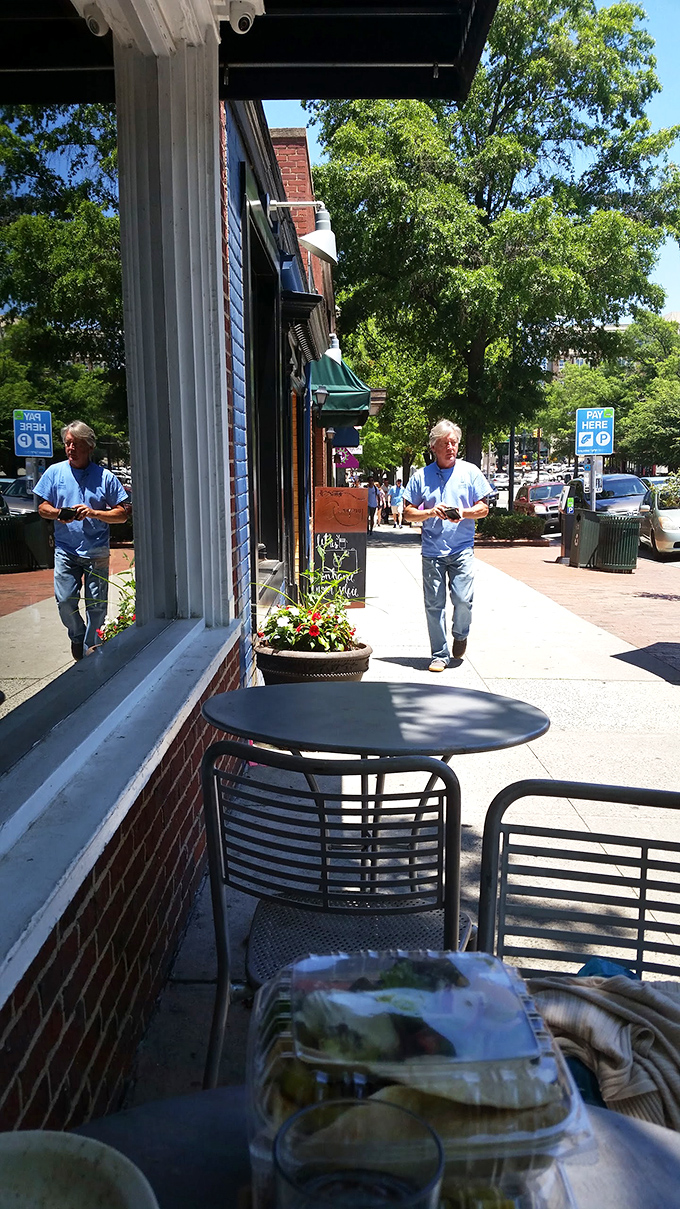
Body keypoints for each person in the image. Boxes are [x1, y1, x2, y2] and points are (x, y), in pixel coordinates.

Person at [34, 421, 130, 660]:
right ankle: (77, 636)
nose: (70, 448)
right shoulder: (55, 473)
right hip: (66, 550)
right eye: (67, 443)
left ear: (89, 446)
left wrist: (94, 512)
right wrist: (59, 514)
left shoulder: (105, 477)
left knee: (96, 606)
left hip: (96, 551)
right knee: (65, 601)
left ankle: (90, 649)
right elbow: (42, 508)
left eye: (76, 444)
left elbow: (122, 514)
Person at [403, 420, 491, 671]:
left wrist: (463, 512)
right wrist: (430, 512)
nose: (451, 447)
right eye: (445, 444)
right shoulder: (421, 476)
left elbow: (483, 508)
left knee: (463, 600)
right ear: (434, 447)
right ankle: (439, 654)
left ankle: (460, 634)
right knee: (434, 604)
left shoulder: (471, 472)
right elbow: (407, 512)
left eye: (454, 443)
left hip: (461, 548)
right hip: (432, 550)